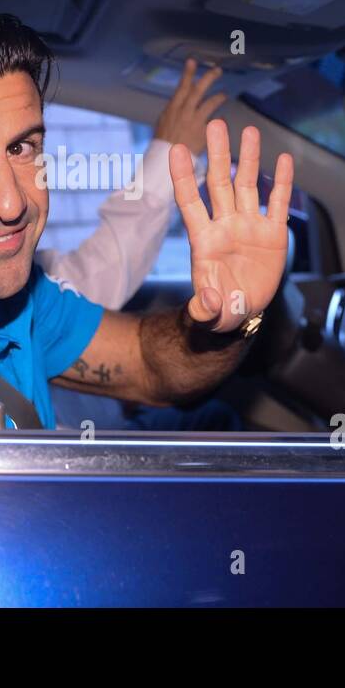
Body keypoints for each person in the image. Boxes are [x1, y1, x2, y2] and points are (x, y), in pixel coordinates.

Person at [0, 4, 293, 430]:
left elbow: (146, 365)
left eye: (21, 148)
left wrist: (232, 318)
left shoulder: (12, 299)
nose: (10, 204)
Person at [35, 58, 235, 429]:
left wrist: (243, 309)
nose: (10, 201)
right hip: (96, 444)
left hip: (107, 419)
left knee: (217, 417)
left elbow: (94, 278)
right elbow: (100, 276)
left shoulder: (26, 295)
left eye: (23, 149)